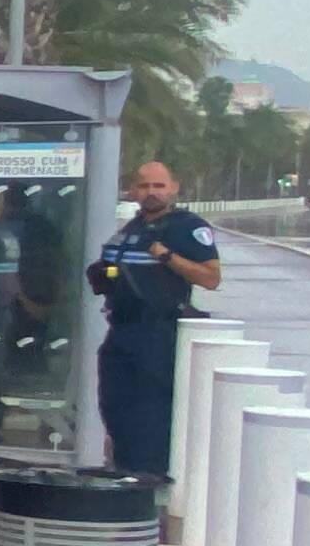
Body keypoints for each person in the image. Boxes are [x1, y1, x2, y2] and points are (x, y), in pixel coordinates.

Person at [89, 157, 222, 472]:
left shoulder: (188, 227)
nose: (152, 192)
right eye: (144, 185)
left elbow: (211, 277)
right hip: (121, 329)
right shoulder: (130, 229)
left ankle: (149, 480)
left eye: (159, 186)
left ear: (173, 188)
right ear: (133, 190)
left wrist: (167, 257)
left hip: (158, 332)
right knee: (114, 404)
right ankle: (123, 469)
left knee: (151, 412)